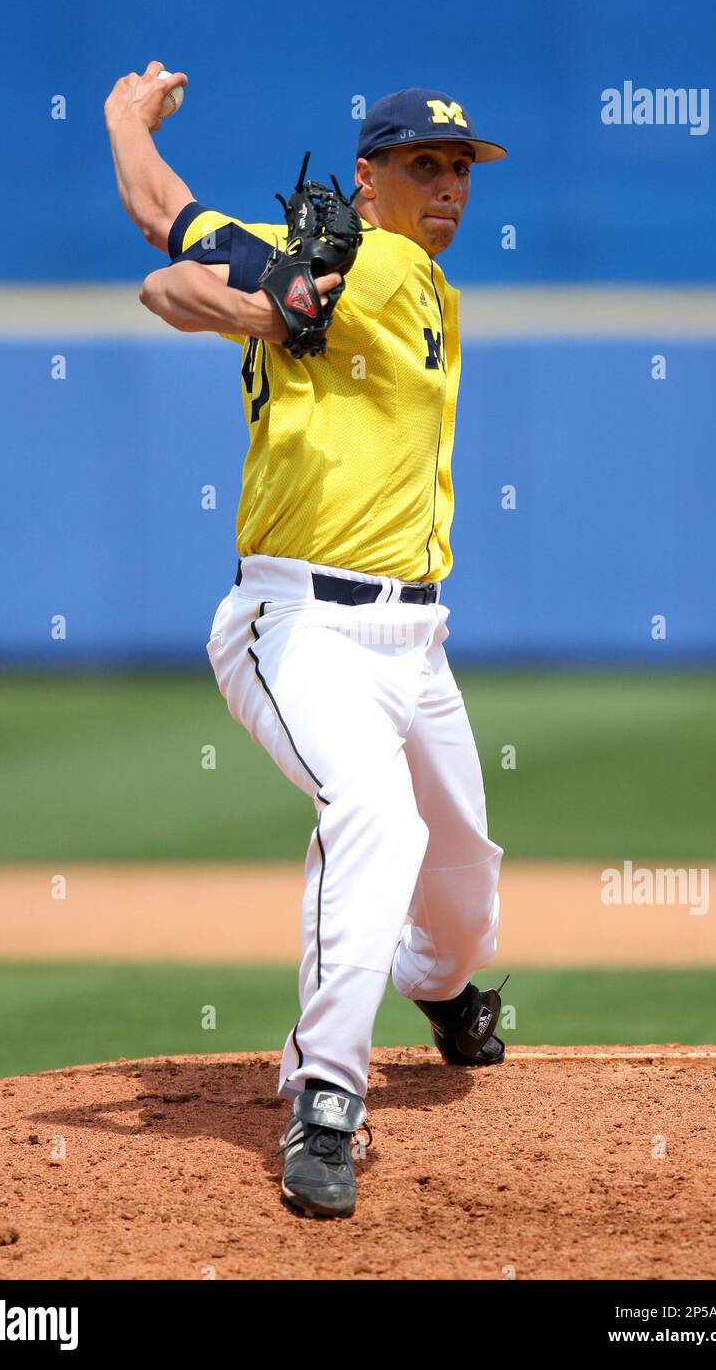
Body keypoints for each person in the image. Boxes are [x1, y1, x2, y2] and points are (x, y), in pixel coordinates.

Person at [105, 69, 507, 1219]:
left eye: (458, 169)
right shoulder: (341, 256)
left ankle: (440, 988)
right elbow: (163, 265)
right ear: (366, 179)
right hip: (299, 625)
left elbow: (169, 227)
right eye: (420, 166)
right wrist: (264, 301)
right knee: (371, 816)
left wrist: (129, 129)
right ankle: (325, 1092)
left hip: (413, 638)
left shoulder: (421, 285)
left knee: (467, 872)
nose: (445, 188)